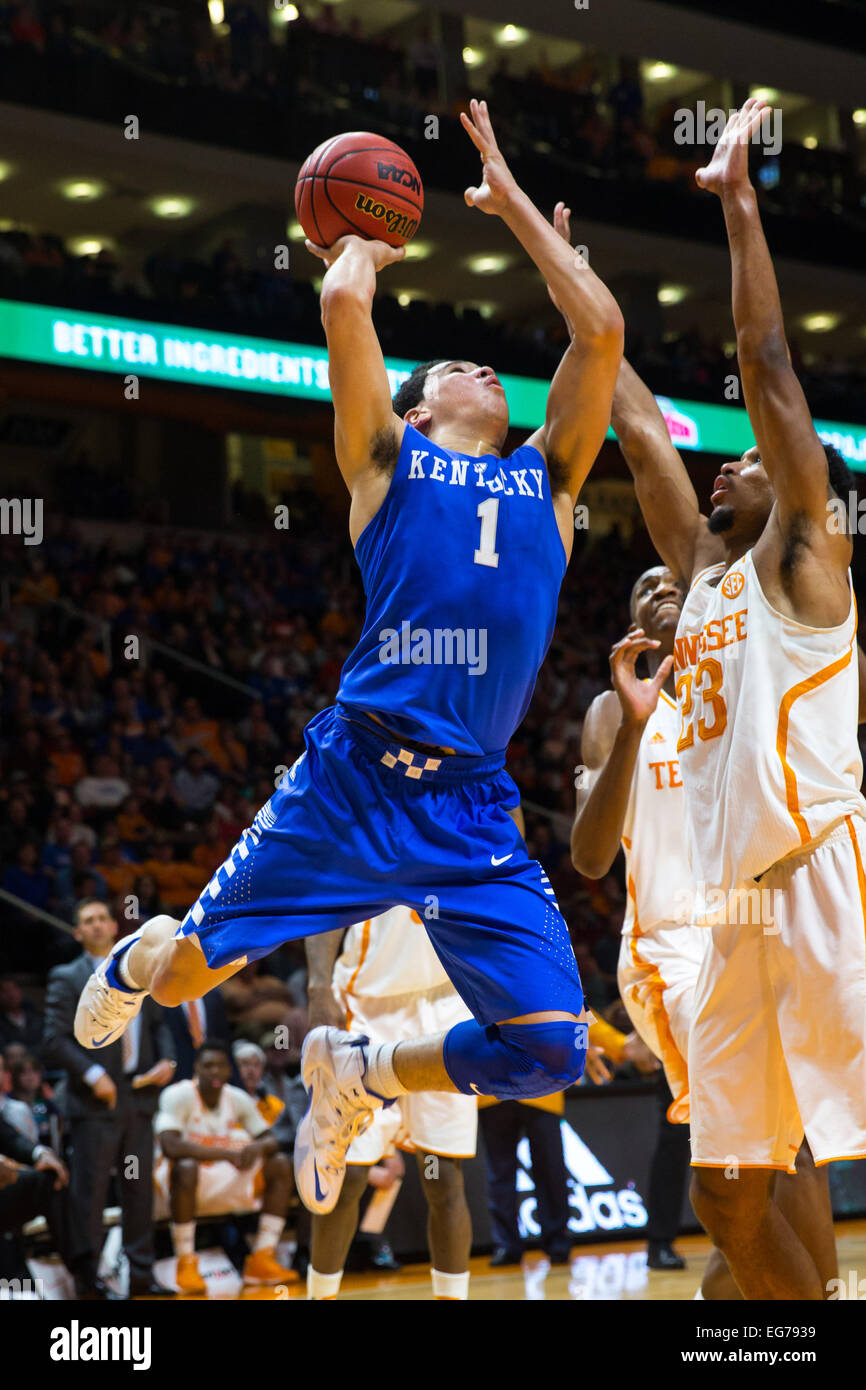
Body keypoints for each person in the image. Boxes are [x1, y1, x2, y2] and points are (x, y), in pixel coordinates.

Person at [74, 99, 624, 1222]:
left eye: (486, 361)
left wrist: (513, 205)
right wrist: (362, 232)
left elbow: (600, 335)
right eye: (458, 364)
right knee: (184, 977)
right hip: (350, 781)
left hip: (471, 809)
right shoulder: (387, 465)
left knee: (548, 1051)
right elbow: (338, 301)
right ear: (418, 411)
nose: (483, 367)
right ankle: (134, 960)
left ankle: (357, 1070)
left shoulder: (549, 482)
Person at [611, 100, 866, 1300]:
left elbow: (764, 365)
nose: (728, 461)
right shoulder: (704, 586)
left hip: (816, 870)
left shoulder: (806, 558)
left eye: (752, 459)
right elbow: (624, 420)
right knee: (728, 1187)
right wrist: (541, 249)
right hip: (725, 917)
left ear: (810, 490)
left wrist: (737, 205)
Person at [304, 905, 478, 1301]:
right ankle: (320, 1295)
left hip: (448, 1002)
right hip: (367, 1006)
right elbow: (325, 901)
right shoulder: (356, 840)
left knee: (444, 1174)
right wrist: (318, 987)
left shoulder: (475, 839)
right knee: (348, 1173)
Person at [42, 899, 177, 1299]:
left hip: (138, 1100)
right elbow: (53, 1039)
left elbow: (159, 1025)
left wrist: (167, 1059)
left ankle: (140, 1275)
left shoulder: (137, 965)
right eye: (88, 921)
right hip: (94, 1105)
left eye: (103, 918)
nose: (98, 925)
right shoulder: (66, 977)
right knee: (92, 1194)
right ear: (78, 932)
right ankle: (89, 1280)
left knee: (139, 1190)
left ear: (114, 924)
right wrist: (93, 1073)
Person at [153, 1041, 297, 1294]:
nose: (215, 1072)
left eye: (221, 1066)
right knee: (185, 1166)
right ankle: (185, 1262)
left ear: (229, 1071)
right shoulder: (177, 1095)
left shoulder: (237, 1098)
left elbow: (271, 1138)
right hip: (178, 1185)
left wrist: (256, 1149)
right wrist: (227, 1153)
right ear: (197, 1068)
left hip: (222, 1178)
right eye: (208, 1066)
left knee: (280, 1163)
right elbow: (170, 1146)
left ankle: (262, 1257)